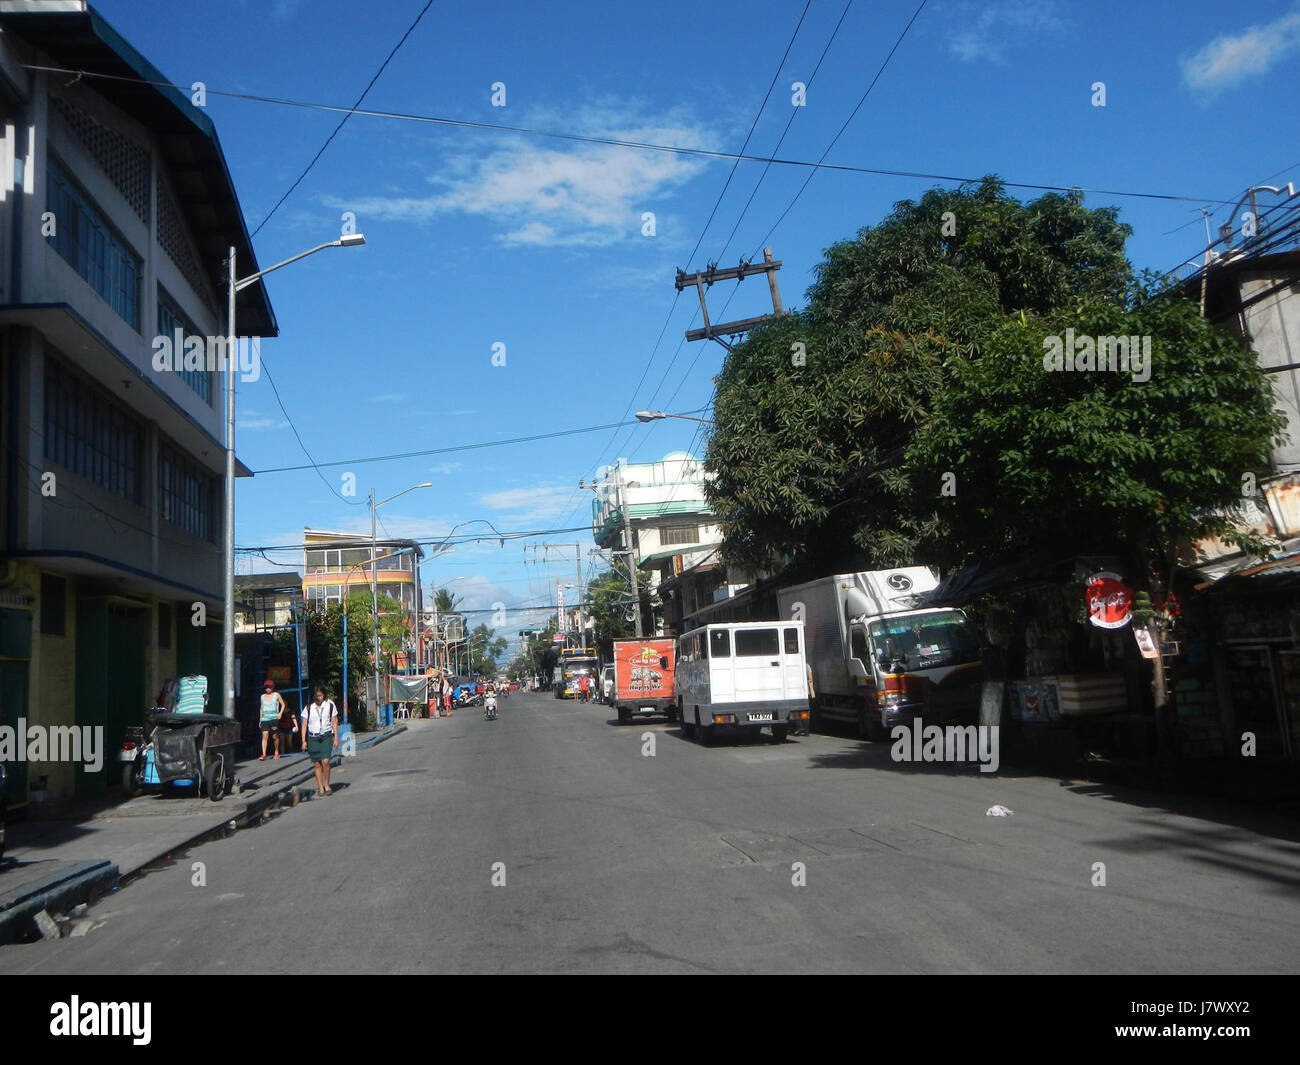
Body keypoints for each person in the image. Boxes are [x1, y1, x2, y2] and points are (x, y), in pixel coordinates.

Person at [302, 688, 339, 795]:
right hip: (313, 738)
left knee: (326, 761)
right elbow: (304, 725)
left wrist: (336, 738)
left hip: (326, 736)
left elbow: (334, 721)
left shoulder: (330, 705)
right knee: (317, 764)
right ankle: (320, 787)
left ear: (324, 695)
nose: (318, 698)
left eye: (320, 695)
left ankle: (327, 785)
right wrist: (303, 741)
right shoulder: (308, 708)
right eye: (316, 696)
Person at [258, 680, 287, 760]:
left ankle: (276, 751)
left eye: (269, 687)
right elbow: (261, 708)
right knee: (265, 735)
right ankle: (264, 754)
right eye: (266, 687)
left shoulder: (276, 695)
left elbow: (283, 704)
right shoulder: (262, 697)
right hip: (265, 718)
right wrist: (260, 720)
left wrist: (280, 713)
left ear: (272, 687)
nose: (268, 689)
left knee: (274, 736)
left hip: (274, 718)